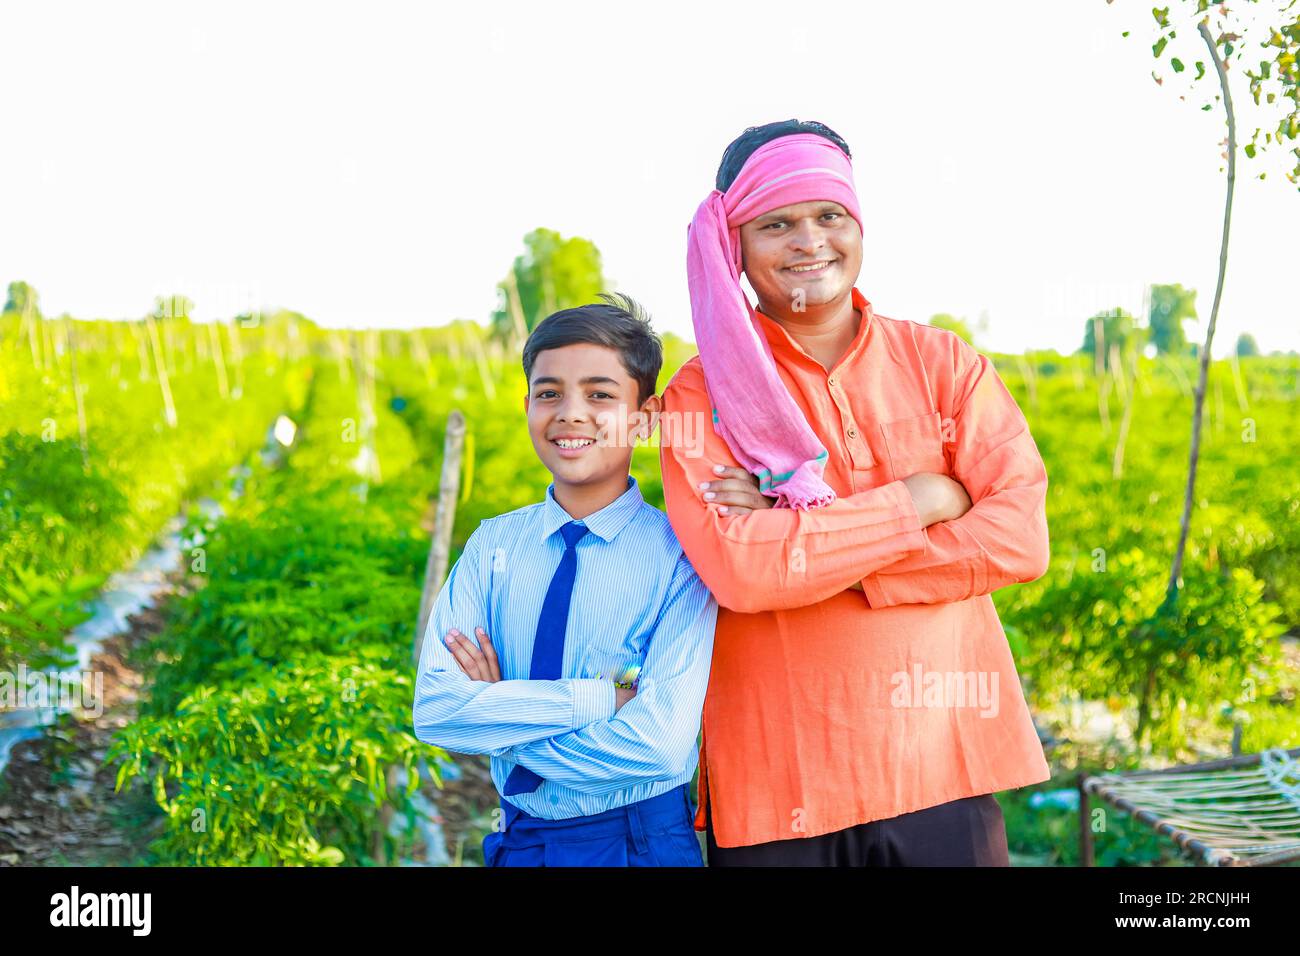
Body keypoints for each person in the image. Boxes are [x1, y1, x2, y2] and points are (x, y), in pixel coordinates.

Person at [658, 119, 1052, 866]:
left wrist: (817, 543)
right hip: (782, 794)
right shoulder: (698, 395)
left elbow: (1019, 539)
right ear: (734, 244)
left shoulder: (943, 364)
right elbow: (744, 572)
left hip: (945, 769)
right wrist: (921, 501)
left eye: (829, 216)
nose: (809, 240)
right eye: (777, 223)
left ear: (857, 226)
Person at [412, 292, 718, 867]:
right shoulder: (492, 546)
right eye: (548, 393)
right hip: (521, 838)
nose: (571, 413)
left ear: (646, 416)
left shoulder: (683, 553)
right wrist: (602, 699)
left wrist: (498, 711)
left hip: (639, 841)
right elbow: (436, 709)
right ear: (526, 404)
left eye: (600, 394)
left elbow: (658, 746)